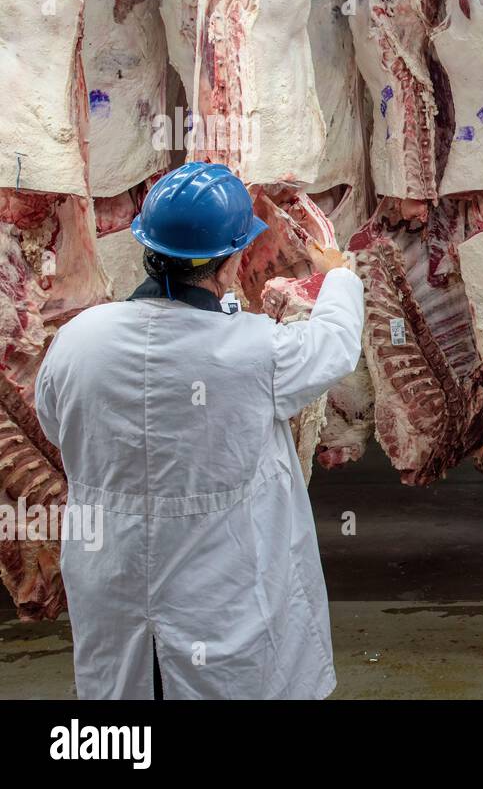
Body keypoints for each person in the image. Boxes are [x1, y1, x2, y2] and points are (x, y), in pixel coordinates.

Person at [35, 162, 365, 700]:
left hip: (111, 577)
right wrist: (338, 274)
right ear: (233, 262)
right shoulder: (253, 351)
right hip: (220, 592)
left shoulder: (78, 339)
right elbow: (334, 344)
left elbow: (56, 424)